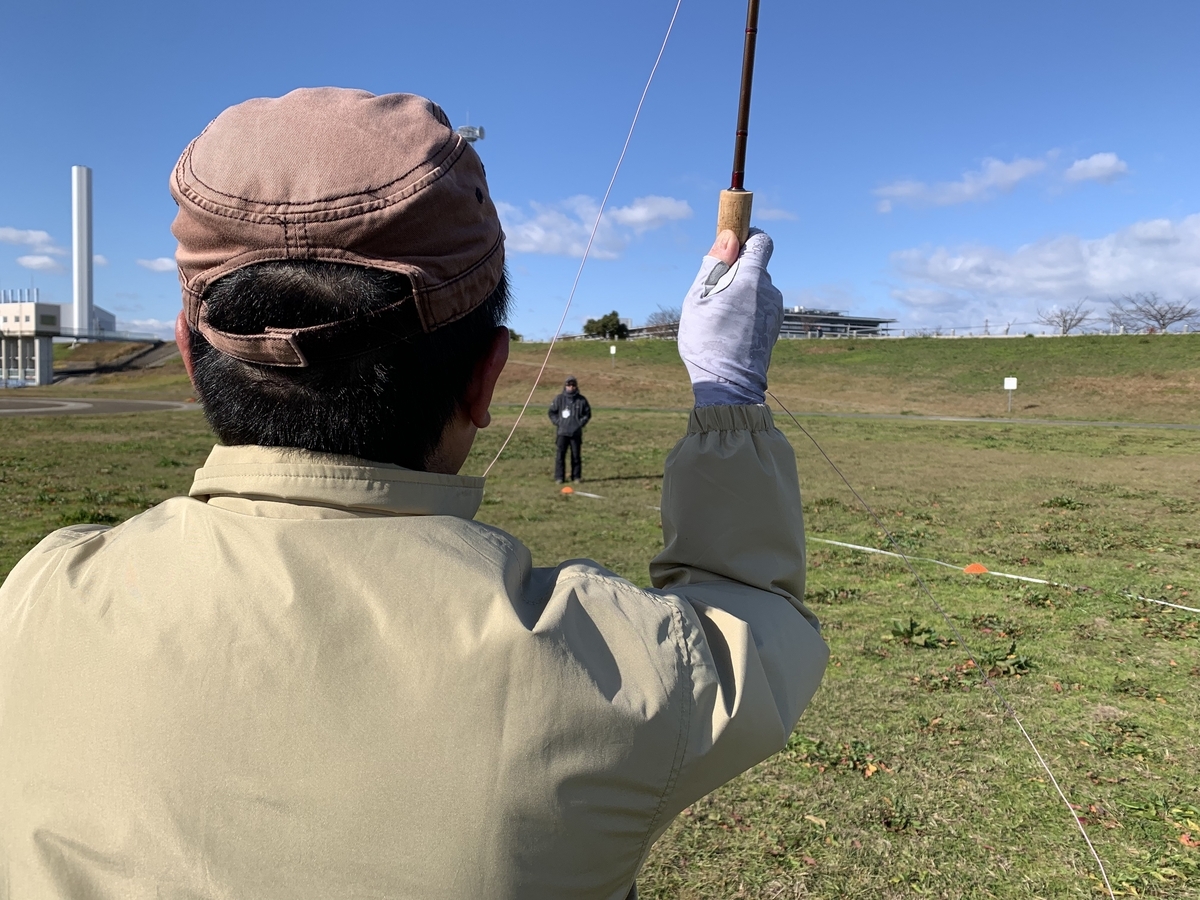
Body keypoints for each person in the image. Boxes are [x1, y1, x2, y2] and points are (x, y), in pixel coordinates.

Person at [0, 88, 827, 900]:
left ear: (189, 355)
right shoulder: (612, 669)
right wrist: (727, 391)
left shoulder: (34, 600)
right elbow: (756, 621)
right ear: (485, 378)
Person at [548, 375, 591, 482]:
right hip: (562, 432)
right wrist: (558, 422)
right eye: (569, 385)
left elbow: (587, 414)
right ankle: (559, 477)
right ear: (565, 386)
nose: (571, 387)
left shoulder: (582, 400)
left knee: (576, 456)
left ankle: (576, 477)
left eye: (573, 385)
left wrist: (580, 423)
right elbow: (552, 412)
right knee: (560, 456)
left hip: (576, 433)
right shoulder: (559, 399)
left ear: (576, 386)